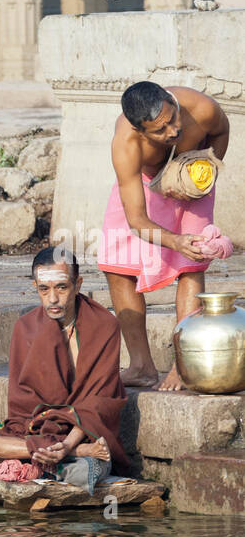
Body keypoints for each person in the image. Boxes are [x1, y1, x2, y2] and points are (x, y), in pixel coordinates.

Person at [99, 81, 229, 391]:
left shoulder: (201, 109)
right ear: (139, 130)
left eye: (173, 119)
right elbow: (136, 220)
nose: (172, 131)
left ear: (172, 102)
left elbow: (222, 131)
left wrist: (205, 168)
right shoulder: (126, 145)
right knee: (117, 263)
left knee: (191, 264)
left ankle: (185, 366)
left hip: (190, 178)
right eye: (160, 130)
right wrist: (174, 240)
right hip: (145, 185)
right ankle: (142, 366)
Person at [0, 248, 127, 493]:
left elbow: (100, 401)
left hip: (82, 433)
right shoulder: (26, 327)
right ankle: (63, 457)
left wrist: (69, 443)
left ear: (78, 284)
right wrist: (60, 448)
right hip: (38, 430)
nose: (52, 299)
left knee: (88, 471)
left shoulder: (105, 325)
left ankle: (47, 457)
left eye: (61, 288)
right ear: (35, 286)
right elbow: (22, 405)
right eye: (44, 289)